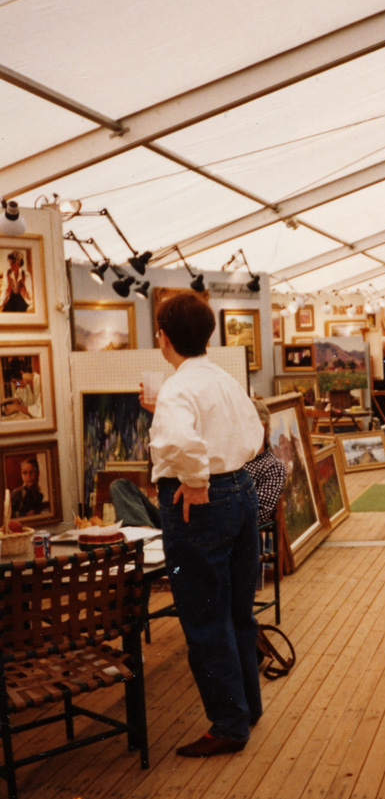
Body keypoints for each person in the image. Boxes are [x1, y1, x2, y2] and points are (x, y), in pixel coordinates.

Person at [144, 291, 265, 758]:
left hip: (203, 503)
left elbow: (178, 440)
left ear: (165, 337)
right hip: (241, 491)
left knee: (203, 618)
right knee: (237, 610)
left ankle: (229, 725)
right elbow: (252, 433)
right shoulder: (222, 377)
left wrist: (195, 480)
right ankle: (245, 709)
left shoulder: (178, 386)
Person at [244, 398, 287, 526]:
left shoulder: (272, 466)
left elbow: (259, 513)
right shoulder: (231, 461)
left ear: (261, 427)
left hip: (238, 533)